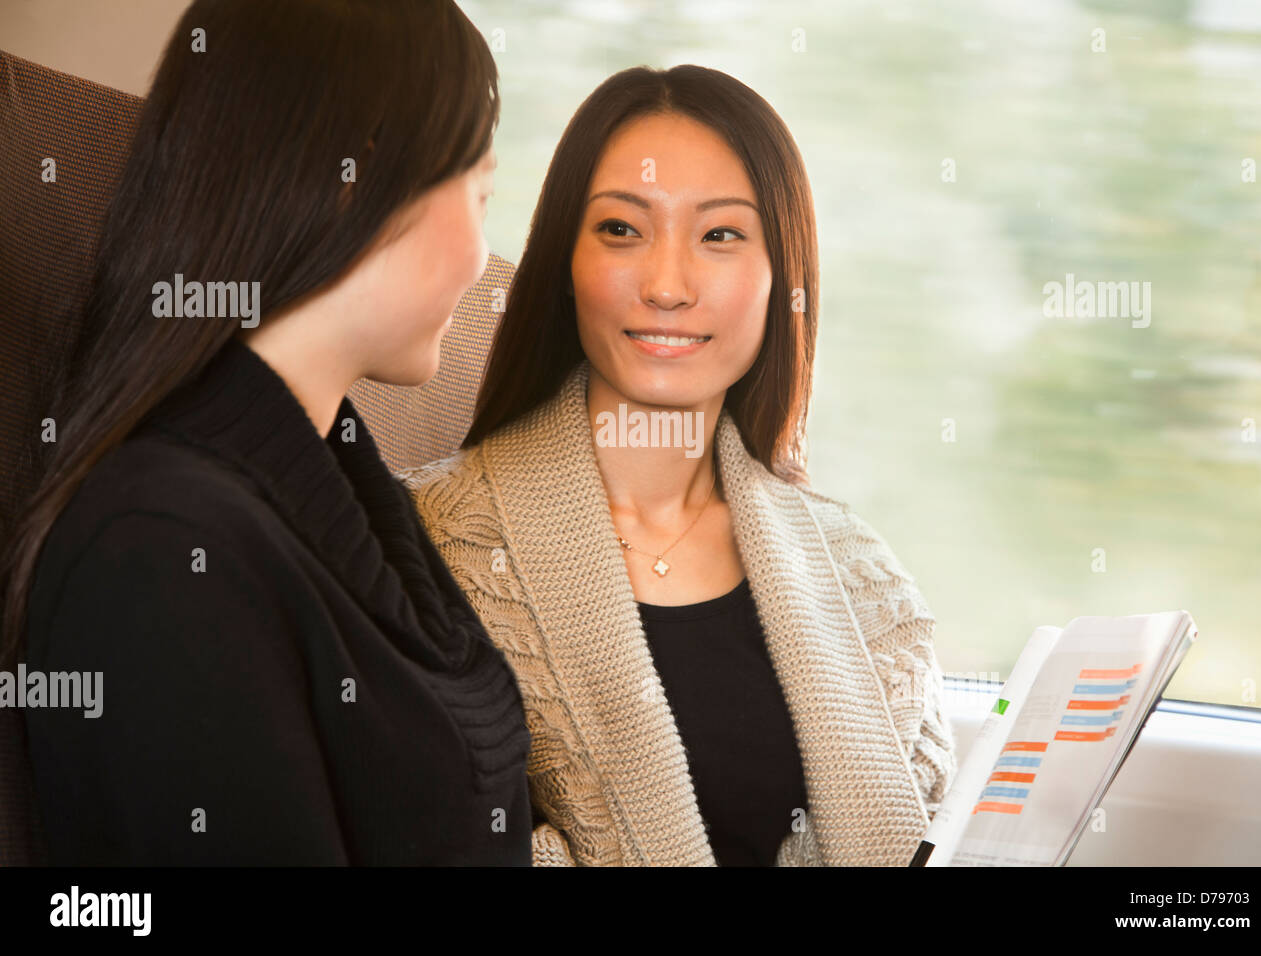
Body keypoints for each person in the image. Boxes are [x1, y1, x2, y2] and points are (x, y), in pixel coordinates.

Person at [1, 0, 533, 865]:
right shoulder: (163, 547)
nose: (483, 256)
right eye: (477, 190)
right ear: (354, 180)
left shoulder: (346, 488)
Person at [402, 64, 958, 866]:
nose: (666, 286)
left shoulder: (863, 575)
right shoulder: (423, 547)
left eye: (721, 235)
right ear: (564, 260)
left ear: (780, 279)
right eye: (622, 231)